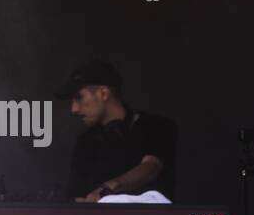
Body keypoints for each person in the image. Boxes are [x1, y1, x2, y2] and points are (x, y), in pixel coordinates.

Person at [55, 59, 178, 202]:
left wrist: (106, 189)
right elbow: (77, 196)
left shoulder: (158, 125)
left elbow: (151, 167)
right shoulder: (85, 142)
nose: (74, 109)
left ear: (103, 93)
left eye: (79, 98)